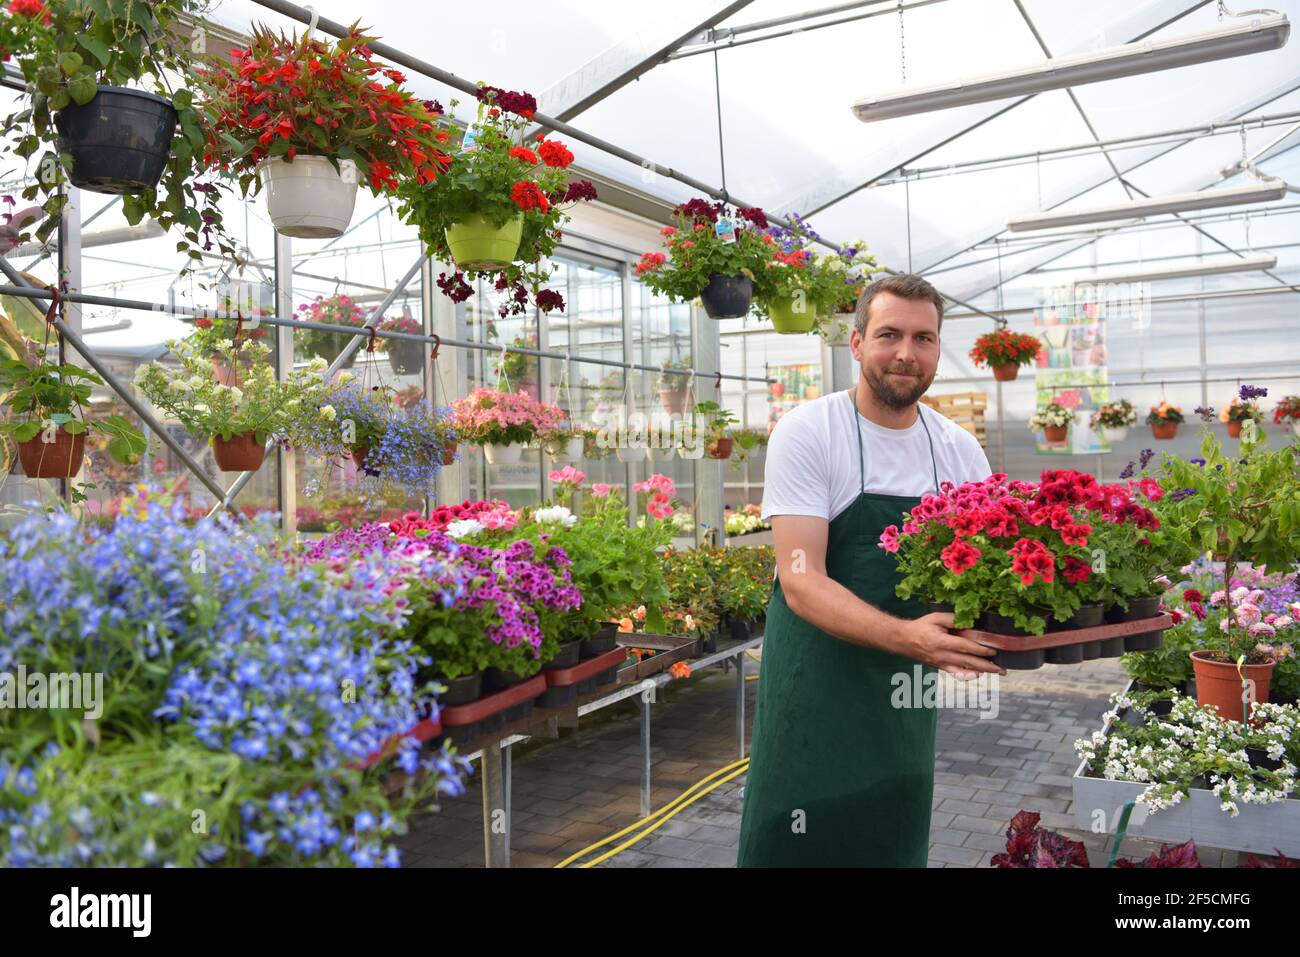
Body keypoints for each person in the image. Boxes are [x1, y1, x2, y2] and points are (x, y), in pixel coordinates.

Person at [736, 274, 1006, 868]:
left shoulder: (959, 449)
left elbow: (990, 568)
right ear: (856, 343)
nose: (906, 353)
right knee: (798, 836)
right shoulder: (811, 431)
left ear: (938, 349)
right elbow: (802, 579)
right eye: (889, 334)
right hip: (817, 681)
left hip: (906, 689)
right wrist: (911, 637)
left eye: (924, 338)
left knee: (891, 830)